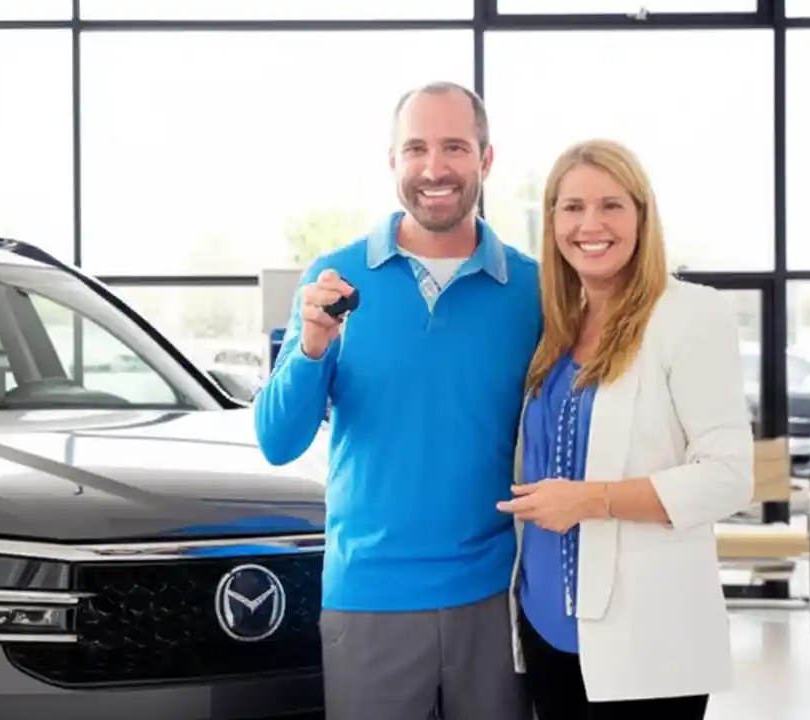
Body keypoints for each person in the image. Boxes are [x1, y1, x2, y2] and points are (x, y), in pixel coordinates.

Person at [254, 81, 540, 720]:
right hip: (369, 597)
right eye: (416, 148)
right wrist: (312, 349)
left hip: (496, 598)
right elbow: (277, 441)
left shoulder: (532, 290)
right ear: (392, 162)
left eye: (455, 148)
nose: (434, 168)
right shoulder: (334, 278)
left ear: (485, 161)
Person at [496, 138, 754, 720]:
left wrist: (591, 500)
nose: (591, 224)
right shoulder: (557, 328)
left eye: (611, 205)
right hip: (544, 628)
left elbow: (730, 477)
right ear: (552, 221)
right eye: (572, 207)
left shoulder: (689, 316)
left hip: (646, 641)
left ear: (642, 214)